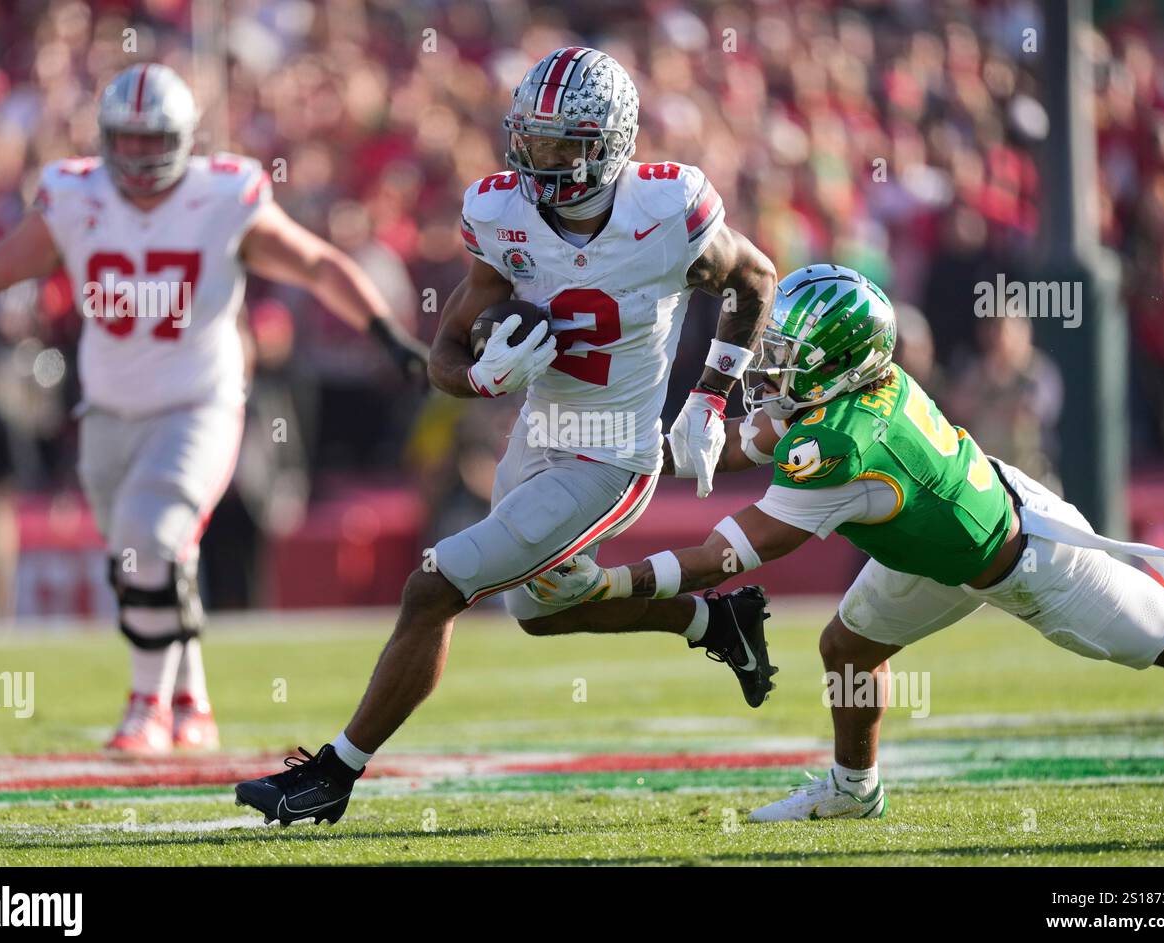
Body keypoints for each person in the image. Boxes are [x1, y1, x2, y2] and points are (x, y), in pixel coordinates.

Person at [233, 47, 778, 826]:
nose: (538, 159)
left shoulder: (665, 209)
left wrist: (712, 397)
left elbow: (753, 280)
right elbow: (445, 354)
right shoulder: (501, 216)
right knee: (544, 609)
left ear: (610, 143)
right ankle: (713, 618)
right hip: (537, 436)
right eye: (530, 140)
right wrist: (480, 380)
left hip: (612, 455)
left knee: (434, 586)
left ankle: (333, 774)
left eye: (560, 145)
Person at [525, 263, 1164, 822]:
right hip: (937, 542)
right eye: (776, 348)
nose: (771, 367)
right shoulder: (845, 394)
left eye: (791, 354)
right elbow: (742, 442)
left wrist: (610, 583)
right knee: (849, 647)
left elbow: (725, 554)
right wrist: (625, 451)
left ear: (841, 362)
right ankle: (853, 790)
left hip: (1022, 558)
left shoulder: (838, 442)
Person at [0, 63, 427, 755]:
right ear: (104, 139)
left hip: (199, 403)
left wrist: (389, 335)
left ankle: (147, 709)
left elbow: (315, 264)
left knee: (151, 536)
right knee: (145, 555)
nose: (136, 156)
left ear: (186, 139)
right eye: (124, 140)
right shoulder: (77, 195)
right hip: (106, 412)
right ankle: (193, 702)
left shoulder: (222, 196)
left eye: (152, 139)